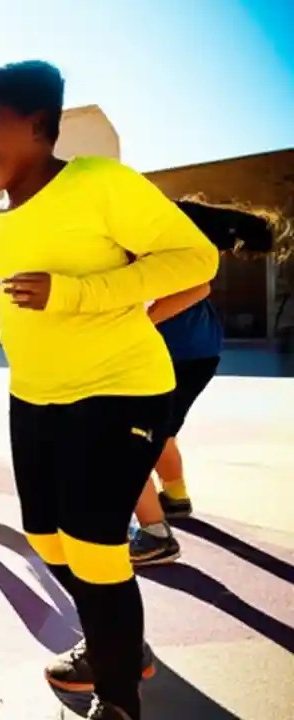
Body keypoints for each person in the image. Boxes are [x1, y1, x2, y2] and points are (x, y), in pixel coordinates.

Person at [0, 61, 218, 720]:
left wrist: (79, 293)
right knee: (47, 540)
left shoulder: (100, 184)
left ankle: (118, 699)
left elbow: (196, 259)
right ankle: (118, 643)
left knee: (94, 541)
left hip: (120, 390)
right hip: (36, 395)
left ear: (40, 126)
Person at [129, 197, 292, 566]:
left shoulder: (175, 246)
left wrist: (141, 323)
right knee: (161, 429)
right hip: (191, 350)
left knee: (142, 434)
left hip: (183, 352)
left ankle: (155, 529)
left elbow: (197, 289)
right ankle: (175, 498)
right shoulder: (165, 242)